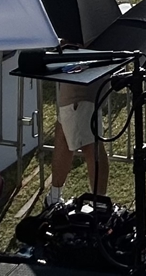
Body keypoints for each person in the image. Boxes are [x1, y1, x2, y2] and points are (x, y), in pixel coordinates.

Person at [47, 77, 108, 206]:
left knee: (90, 144)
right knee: (63, 131)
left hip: (80, 82)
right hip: (75, 80)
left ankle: (99, 203)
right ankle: (54, 197)